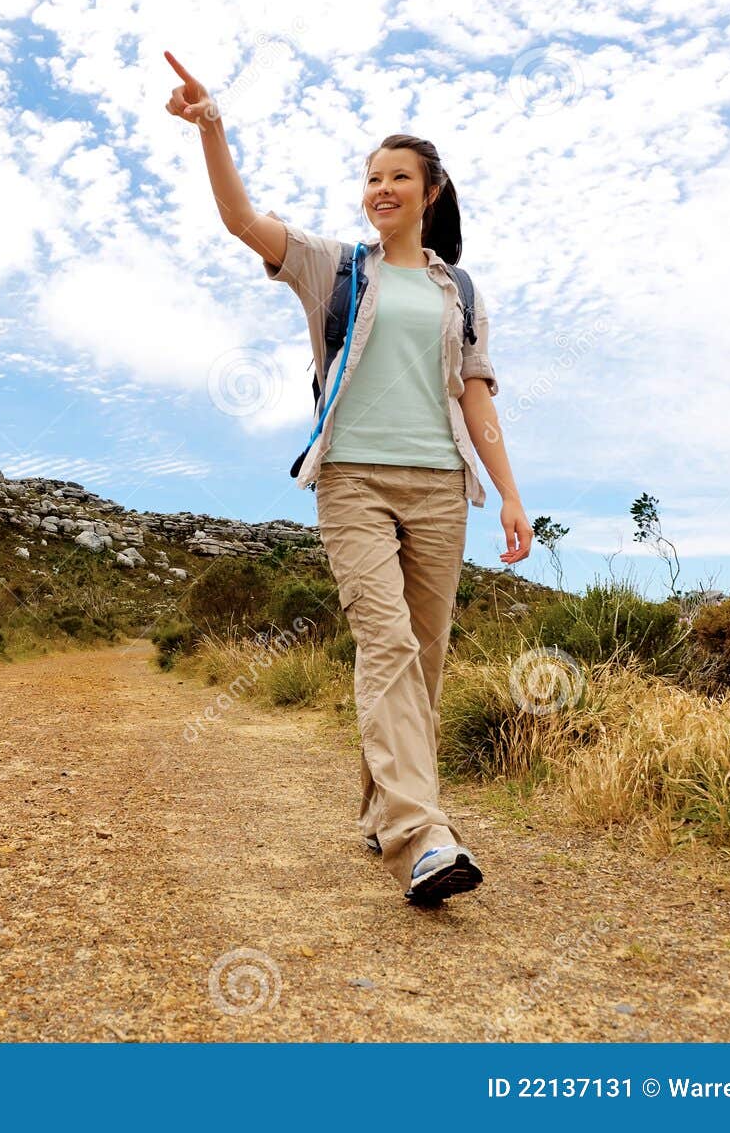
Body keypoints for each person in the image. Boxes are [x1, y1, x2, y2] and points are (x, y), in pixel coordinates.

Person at [164, 51, 532, 906]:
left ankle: (381, 807)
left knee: (426, 662)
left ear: (429, 190)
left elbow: (476, 398)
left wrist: (510, 493)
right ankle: (421, 837)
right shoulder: (335, 267)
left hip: (442, 486)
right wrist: (213, 128)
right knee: (389, 644)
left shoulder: (459, 291)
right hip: (353, 482)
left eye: (397, 176)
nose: (380, 188)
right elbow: (241, 219)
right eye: (370, 177)